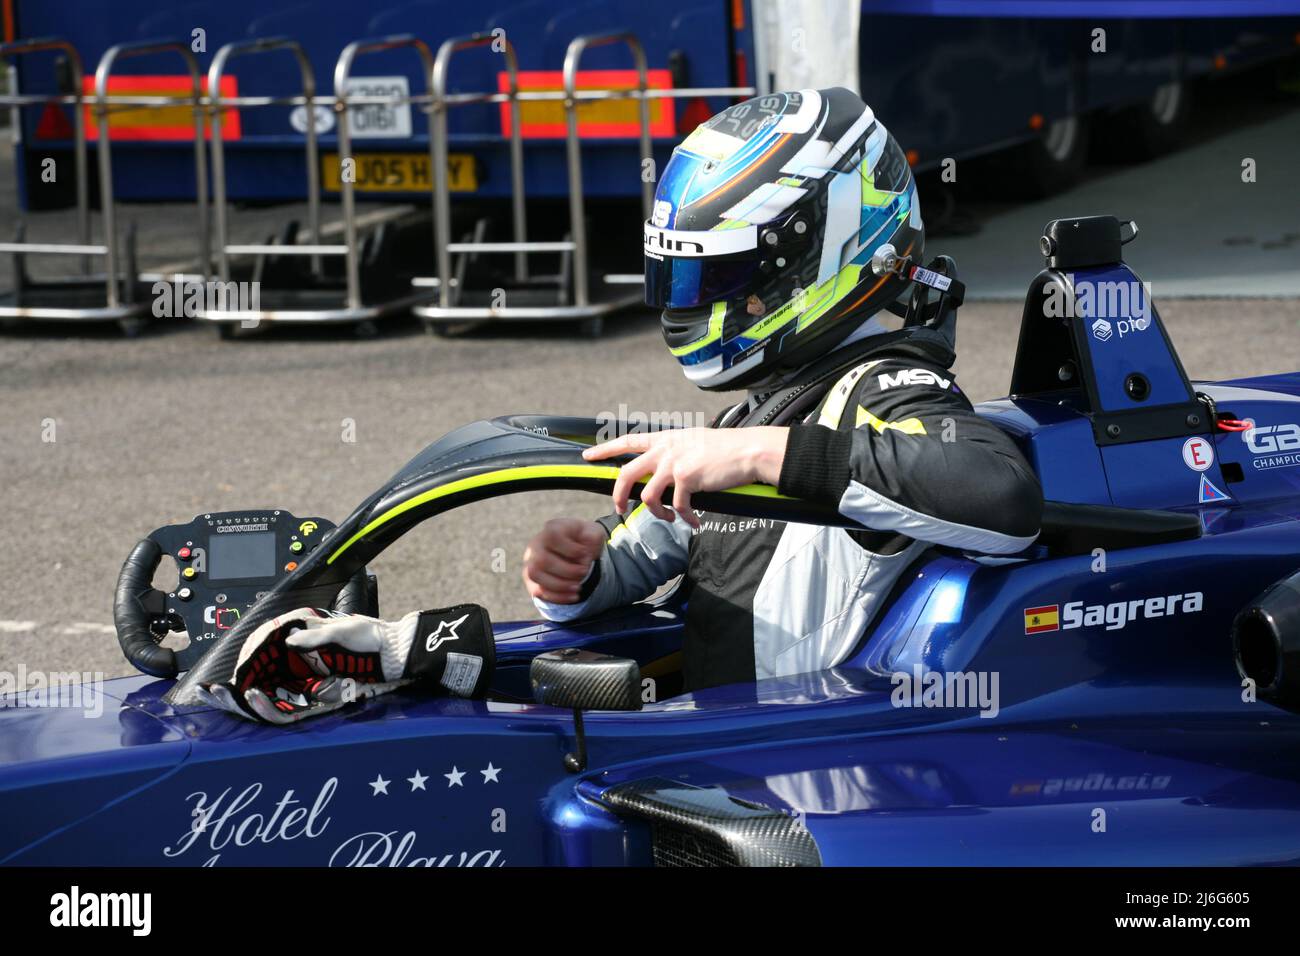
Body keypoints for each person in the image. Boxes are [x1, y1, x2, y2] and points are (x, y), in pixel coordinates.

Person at [522, 88, 1043, 690]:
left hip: (801, 764)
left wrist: (763, 452)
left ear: (817, 259)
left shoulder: (884, 388)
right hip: (720, 753)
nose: (692, 302)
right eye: (687, 277)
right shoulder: (764, 411)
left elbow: (1004, 497)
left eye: (721, 278)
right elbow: (635, 556)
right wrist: (574, 571)